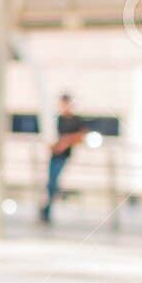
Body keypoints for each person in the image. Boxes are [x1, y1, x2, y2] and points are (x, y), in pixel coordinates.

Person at [40, 93, 87, 225]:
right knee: (51, 182)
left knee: (54, 182)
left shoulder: (76, 120)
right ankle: (46, 209)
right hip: (54, 155)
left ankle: (48, 208)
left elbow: (81, 136)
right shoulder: (57, 119)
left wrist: (66, 142)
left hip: (64, 156)